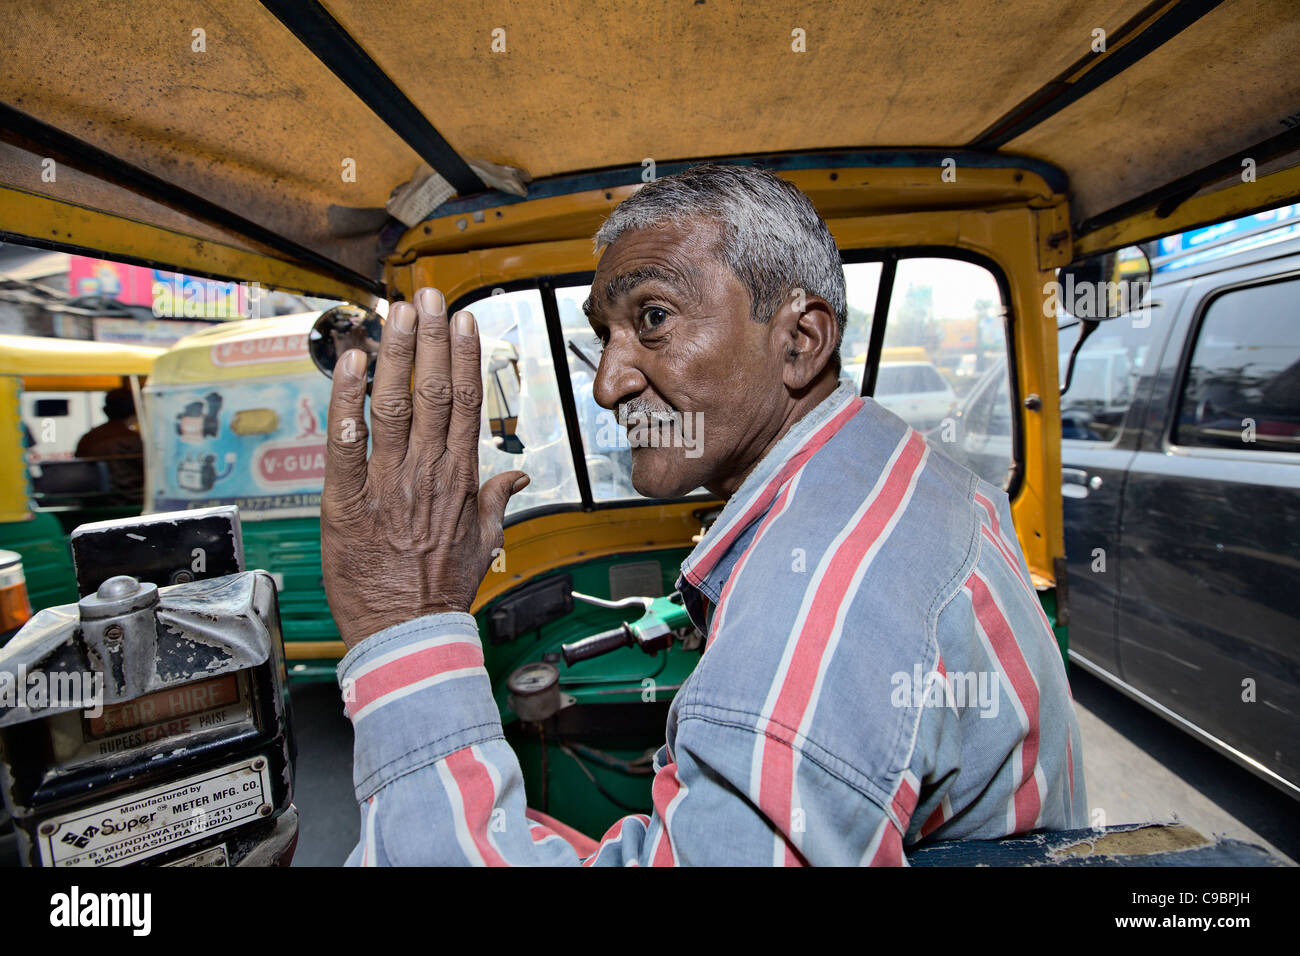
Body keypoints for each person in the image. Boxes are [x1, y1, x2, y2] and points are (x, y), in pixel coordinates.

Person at [321, 164, 1086, 866]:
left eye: (653, 317)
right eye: (604, 337)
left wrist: (404, 627)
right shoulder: (894, 473)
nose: (608, 385)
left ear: (801, 340)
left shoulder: (824, 593)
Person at [74, 386, 144, 502]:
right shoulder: (133, 439)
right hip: (129, 500)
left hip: (92, 500)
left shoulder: (88, 438)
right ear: (135, 410)